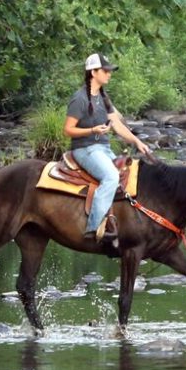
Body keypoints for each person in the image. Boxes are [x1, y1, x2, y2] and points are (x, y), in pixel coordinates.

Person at [63, 53, 153, 243]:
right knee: (111, 177)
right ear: (93, 72)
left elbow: (117, 126)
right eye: (105, 71)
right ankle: (93, 229)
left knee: (127, 175)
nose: (109, 74)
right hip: (85, 149)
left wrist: (137, 142)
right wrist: (93, 129)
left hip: (102, 148)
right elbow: (67, 130)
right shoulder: (80, 99)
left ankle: (117, 223)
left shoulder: (103, 97)